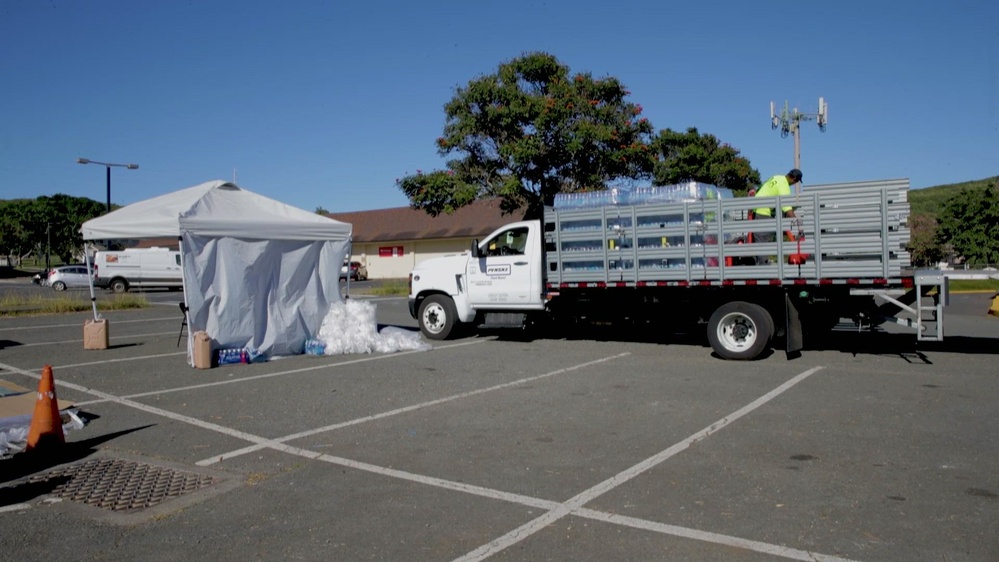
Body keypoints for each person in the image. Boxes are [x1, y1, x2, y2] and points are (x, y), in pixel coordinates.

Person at [752, 168, 802, 262]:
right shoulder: (784, 186)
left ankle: (763, 266)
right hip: (763, 212)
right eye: (796, 182)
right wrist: (797, 222)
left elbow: (762, 189)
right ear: (794, 179)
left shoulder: (777, 177)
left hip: (757, 209)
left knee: (762, 240)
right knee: (762, 242)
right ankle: (764, 271)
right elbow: (786, 207)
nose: (794, 184)